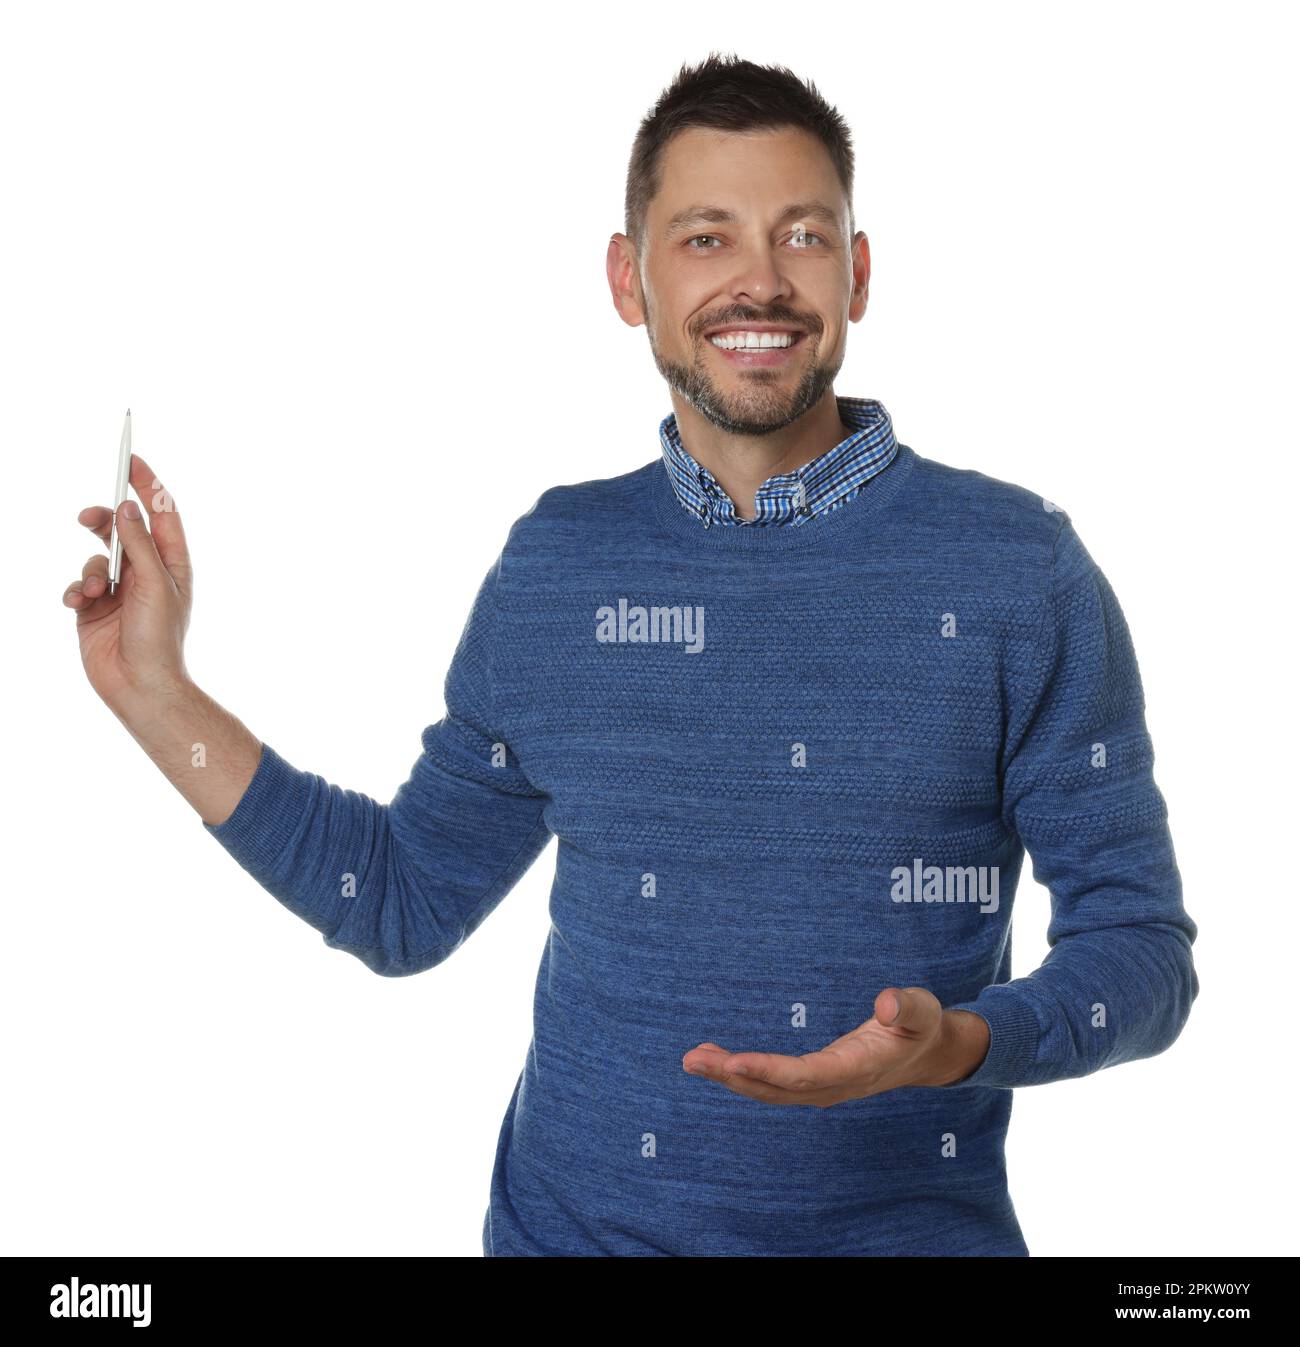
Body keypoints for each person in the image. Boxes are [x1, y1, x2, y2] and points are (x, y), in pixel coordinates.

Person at [64, 52, 1198, 1257]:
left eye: (802, 236)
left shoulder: (1017, 570)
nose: (759, 281)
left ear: (857, 275)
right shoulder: (558, 564)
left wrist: (964, 1043)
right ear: (629, 277)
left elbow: (1138, 954)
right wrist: (152, 689)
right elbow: (401, 901)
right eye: (705, 238)